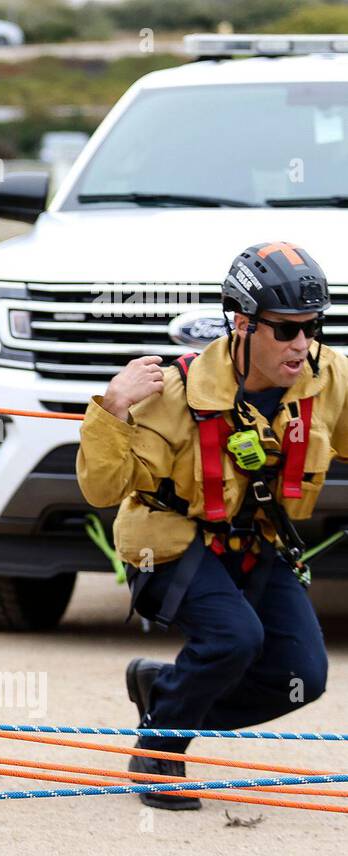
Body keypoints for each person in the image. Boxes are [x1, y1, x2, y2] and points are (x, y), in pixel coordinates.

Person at [78, 242, 338, 810]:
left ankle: (164, 694)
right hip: (171, 547)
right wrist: (113, 409)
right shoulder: (173, 391)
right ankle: (158, 750)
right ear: (242, 324)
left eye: (312, 328)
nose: (303, 344)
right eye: (287, 330)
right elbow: (101, 489)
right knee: (233, 640)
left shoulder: (329, 376)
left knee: (302, 673)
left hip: (257, 546)